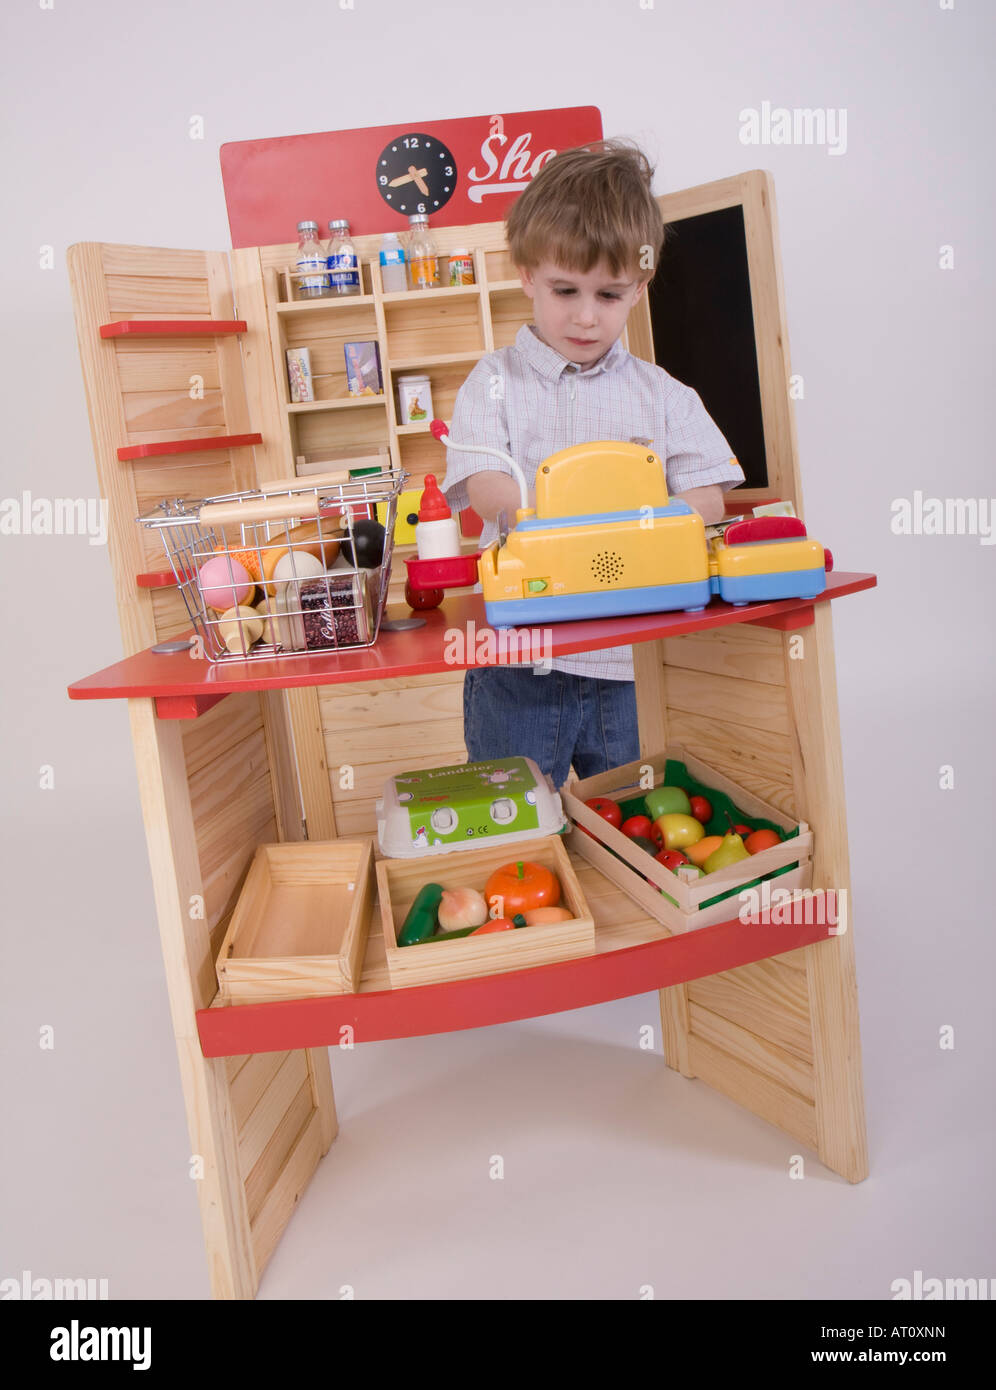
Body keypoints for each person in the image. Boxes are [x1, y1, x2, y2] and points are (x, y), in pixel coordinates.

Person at [442, 138, 745, 790]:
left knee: (643, 827)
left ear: (639, 287)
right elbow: (485, 482)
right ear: (525, 273)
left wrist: (639, 528)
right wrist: (547, 525)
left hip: (634, 669)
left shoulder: (662, 393)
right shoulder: (491, 382)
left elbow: (708, 494)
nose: (585, 317)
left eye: (608, 295)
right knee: (516, 830)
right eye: (564, 290)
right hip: (519, 666)